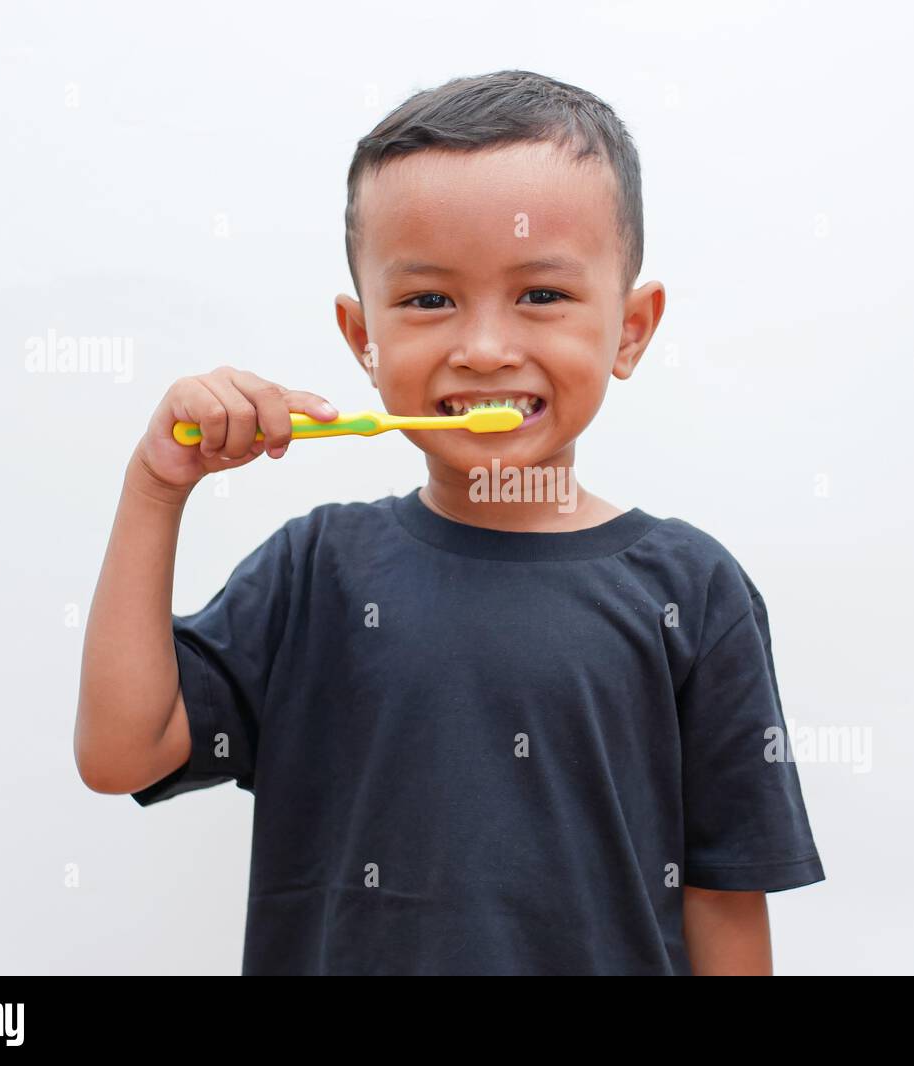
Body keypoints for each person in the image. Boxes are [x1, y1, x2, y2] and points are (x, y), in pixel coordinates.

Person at [74, 69, 825, 975]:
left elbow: (723, 902)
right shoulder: (314, 573)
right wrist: (156, 487)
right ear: (364, 340)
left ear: (630, 329)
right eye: (429, 301)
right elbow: (120, 754)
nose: (483, 349)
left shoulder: (695, 592)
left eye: (541, 295)